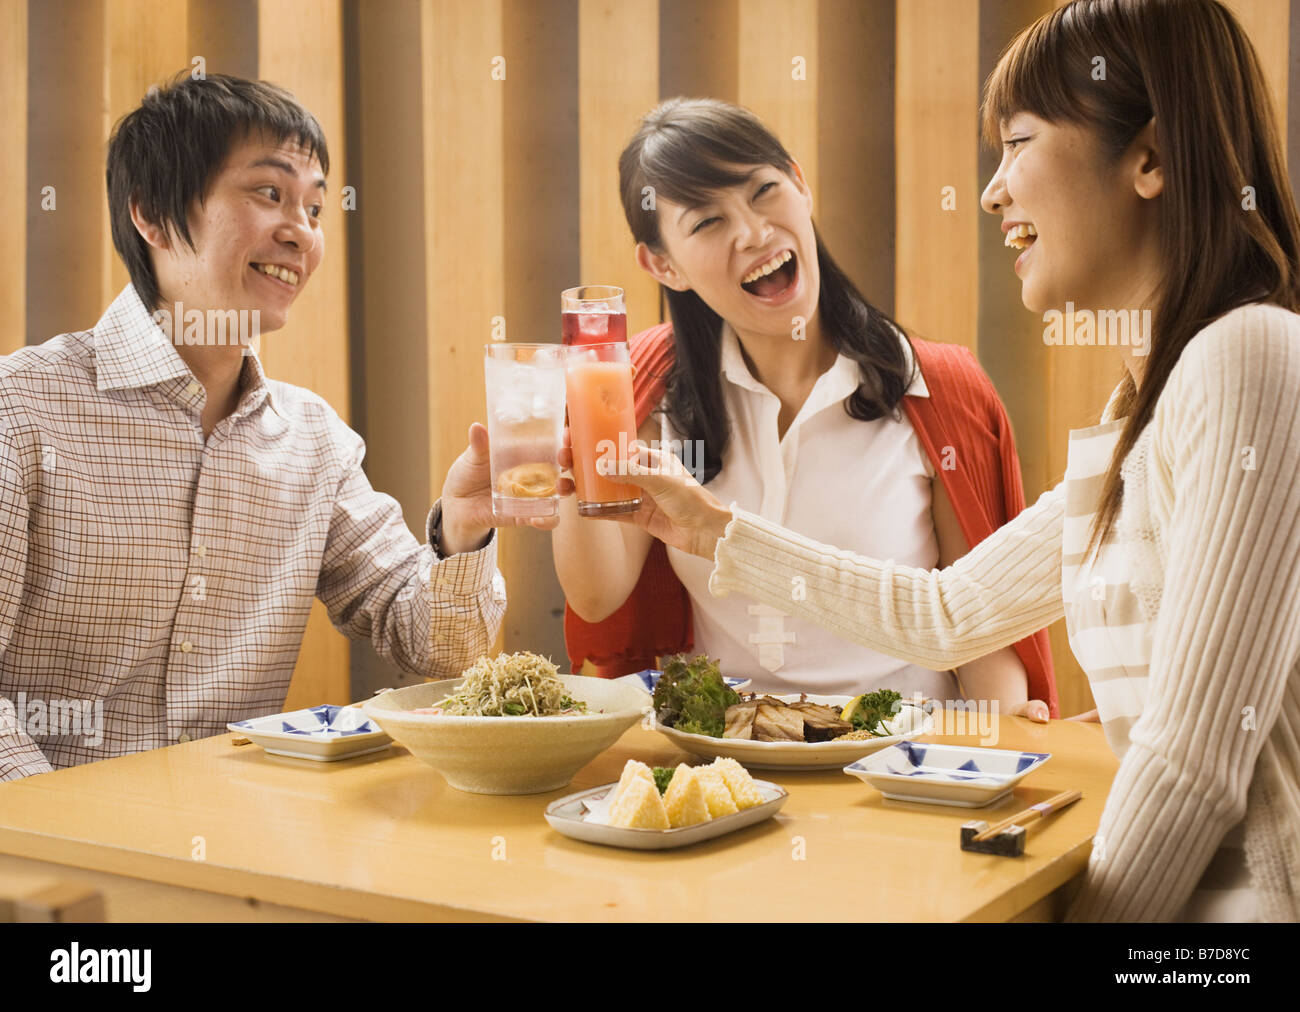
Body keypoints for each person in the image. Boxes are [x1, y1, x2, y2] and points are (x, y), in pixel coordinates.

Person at [601, 0, 1300, 922]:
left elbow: (1193, 763)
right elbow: (946, 612)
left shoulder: (1250, 355)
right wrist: (713, 527)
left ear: (1152, 158)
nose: (992, 190)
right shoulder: (1152, 408)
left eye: (1018, 141)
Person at [0, 72, 543, 781]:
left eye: (315, 208)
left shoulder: (312, 439)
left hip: (239, 848)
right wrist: (74, 843)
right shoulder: (22, 409)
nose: (301, 232)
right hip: (49, 864)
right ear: (153, 214)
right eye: (269, 193)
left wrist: (463, 529)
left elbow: (436, 651)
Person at [552, 97, 1057, 718]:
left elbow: (977, 618)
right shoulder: (646, 396)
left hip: (897, 760)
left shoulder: (934, 390)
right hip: (729, 762)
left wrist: (1002, 734)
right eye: (708, 223)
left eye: (764, 190)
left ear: (799, 181)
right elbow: (597, 597)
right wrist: (581, 434)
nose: (754, 232)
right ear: (662, 264)